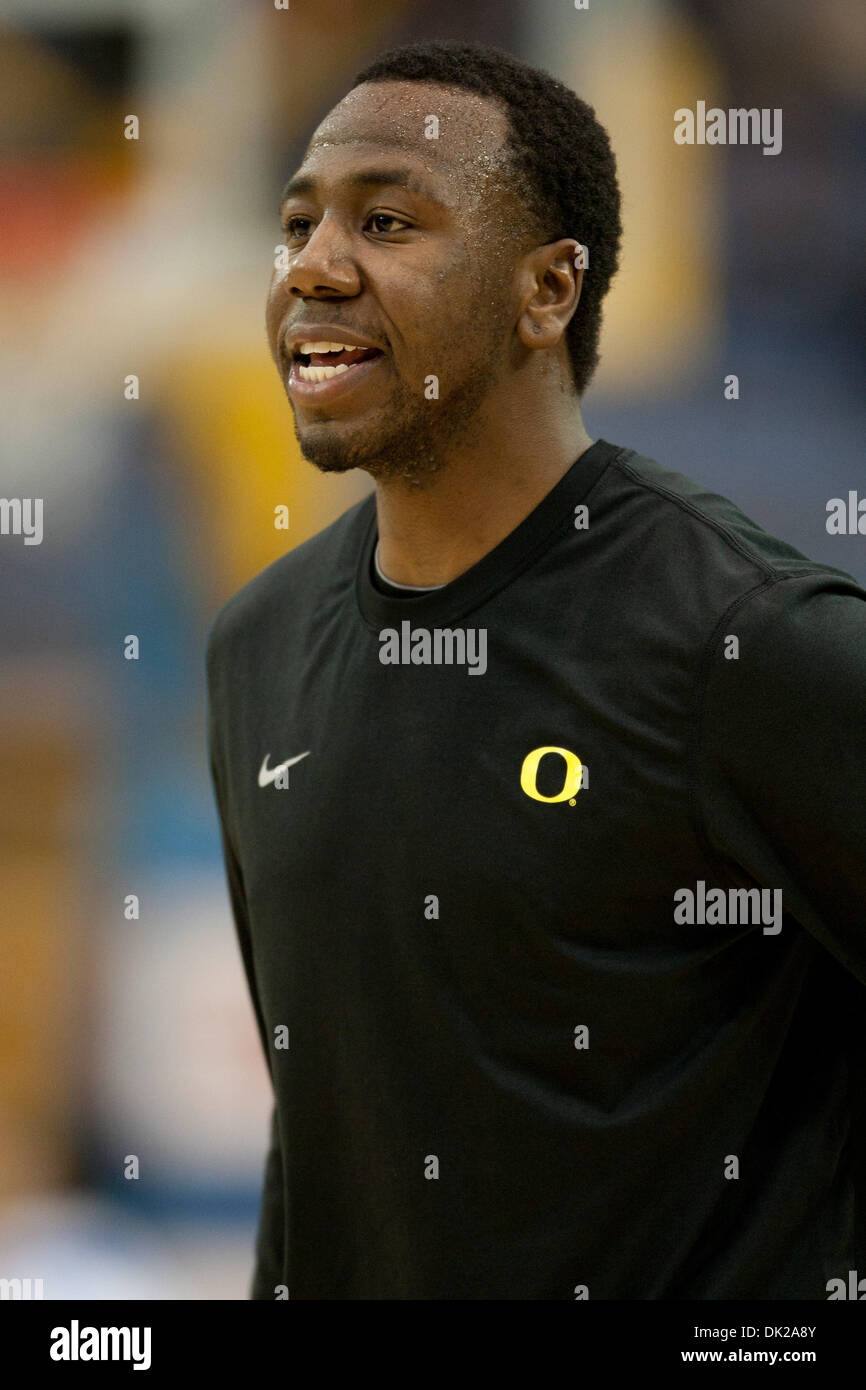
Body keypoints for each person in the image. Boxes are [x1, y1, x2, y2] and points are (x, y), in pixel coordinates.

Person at [206, 40, 866, 1300]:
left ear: (547, 290)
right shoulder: (258, 644)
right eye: (295, 223)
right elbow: (324, 1136)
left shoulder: (744, 638)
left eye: (385, 220)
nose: (312, 266)